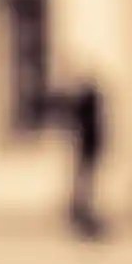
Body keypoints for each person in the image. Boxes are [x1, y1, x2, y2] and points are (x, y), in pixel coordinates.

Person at [50, 66, 107, 240]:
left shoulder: (85, 103)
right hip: (87, 147)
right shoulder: (90, 104)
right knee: (84, 183)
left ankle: (81, 216)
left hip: (86, 147)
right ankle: (81, 216)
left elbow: (70, 113)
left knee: (83, 183)